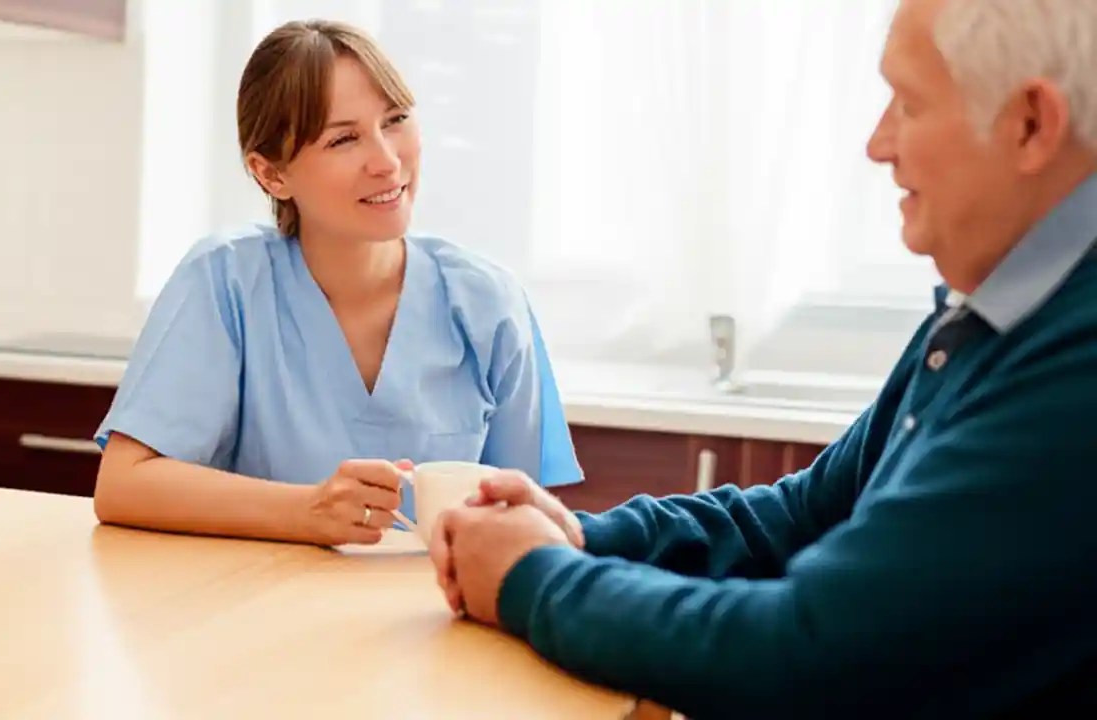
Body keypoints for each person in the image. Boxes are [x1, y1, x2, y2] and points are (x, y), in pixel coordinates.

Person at [429, 0, 1097, 716]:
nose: (878, 144)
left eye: (907, 103)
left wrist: (532, 574)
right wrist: (583, 537)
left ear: (1030, 123)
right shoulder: (989, 309)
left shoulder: (1073, 369)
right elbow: (801, 516)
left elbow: (805, 652)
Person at [92, 19, 580, 547]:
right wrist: (308, 511)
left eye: (395, 120)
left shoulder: (488, 302)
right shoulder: (226, 282)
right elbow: (124, 484)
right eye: (344, 138)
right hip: (251, 605)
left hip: (435, 615)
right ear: (271, 174)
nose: (388, 161)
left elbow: (531, 520)